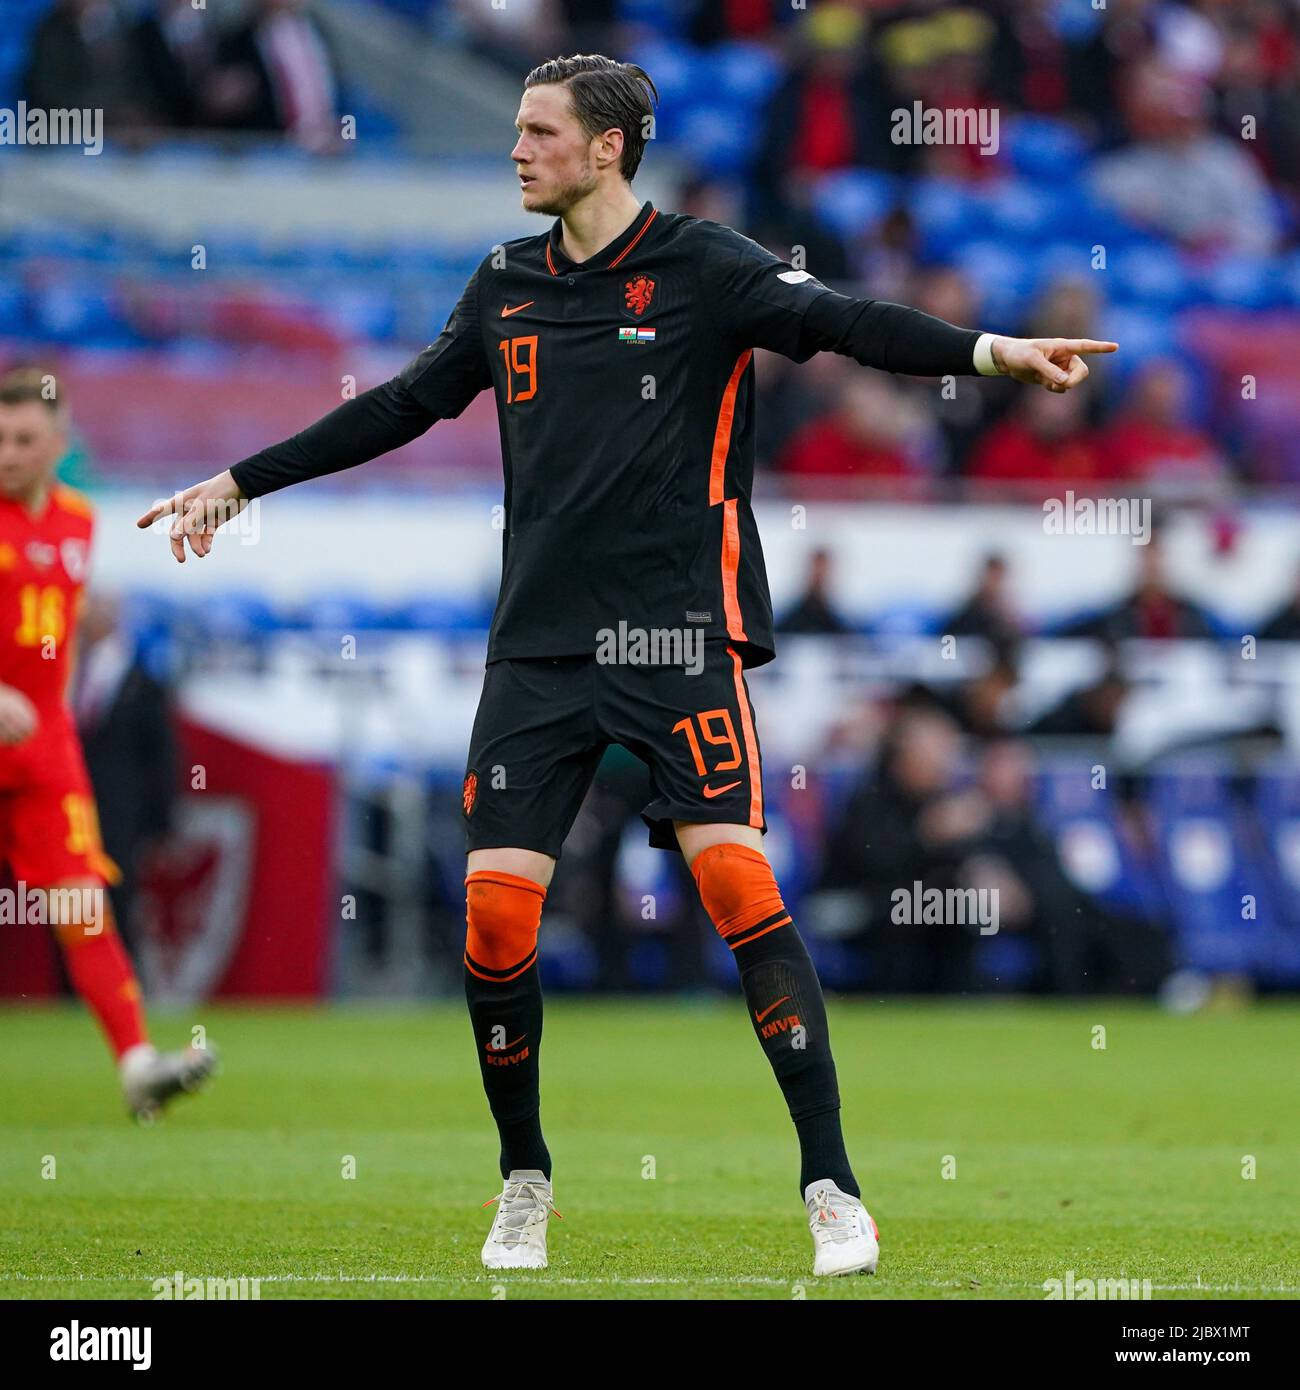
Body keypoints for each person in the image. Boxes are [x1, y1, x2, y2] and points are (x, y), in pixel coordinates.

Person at [138, 53, 1116, 1278]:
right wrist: (239, 483)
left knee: (737, 891)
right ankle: (524, 1179)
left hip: (678, 637)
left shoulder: (706, 267)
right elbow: (399, 404)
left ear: (607, 147)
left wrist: (986, 354)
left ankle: (831, 1185)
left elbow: (841, 322)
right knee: (494, 915)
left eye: (539, 130)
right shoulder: (503, 283)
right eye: (517, 129)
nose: (517, 149)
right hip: (538, 644)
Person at [0, 370, 215, 1120]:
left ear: (58, 445)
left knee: (84, 905)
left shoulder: (78, 522)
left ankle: (134, 1062)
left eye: (24, 440)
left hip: (43, 752)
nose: (7, 454)